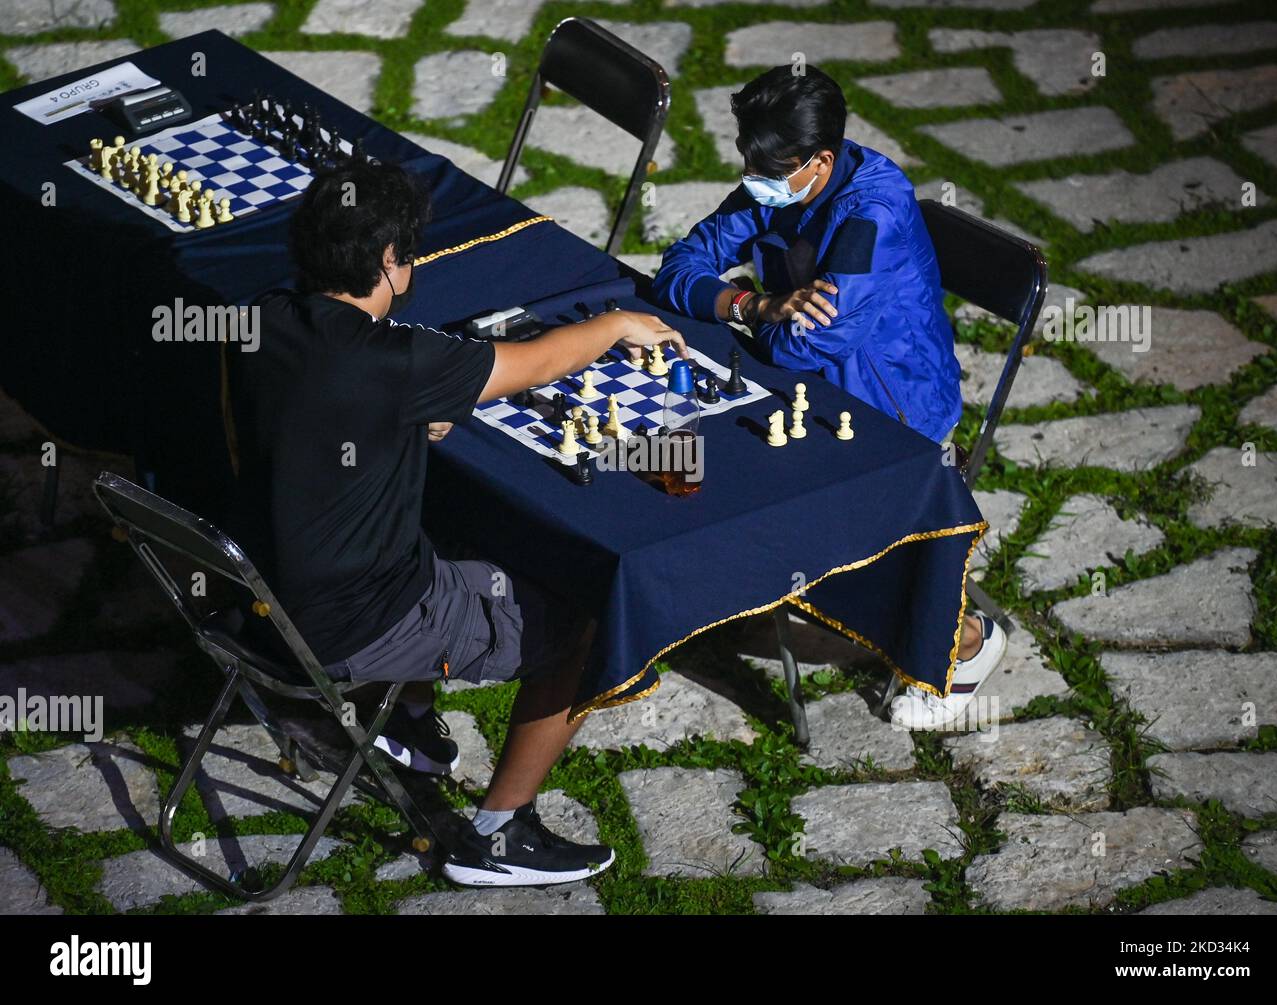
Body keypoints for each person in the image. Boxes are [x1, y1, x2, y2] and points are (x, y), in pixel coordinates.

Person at [228, 158, 686, 885]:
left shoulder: (265, 317)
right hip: (354, 626)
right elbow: (537, 363)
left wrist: (403, 420)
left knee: (460, 531)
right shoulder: (396, 359)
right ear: (391, 261)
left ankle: (408, 724)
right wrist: (615, 323)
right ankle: (500, 836)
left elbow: (320, 408)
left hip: (255, 602)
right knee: (597, 612)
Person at [652, 65, 1004, 728]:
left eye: (766, 167)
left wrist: (753, 313)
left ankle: (967, 643)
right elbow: (677, 267)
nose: (750, 176)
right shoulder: (776, 177)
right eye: (745, 158)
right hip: (807, 393)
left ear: (820, 160)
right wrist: (755, 304)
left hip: (890, 413)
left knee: (855, 557)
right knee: (688, 448)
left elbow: (805, 344)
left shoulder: (873, 214)